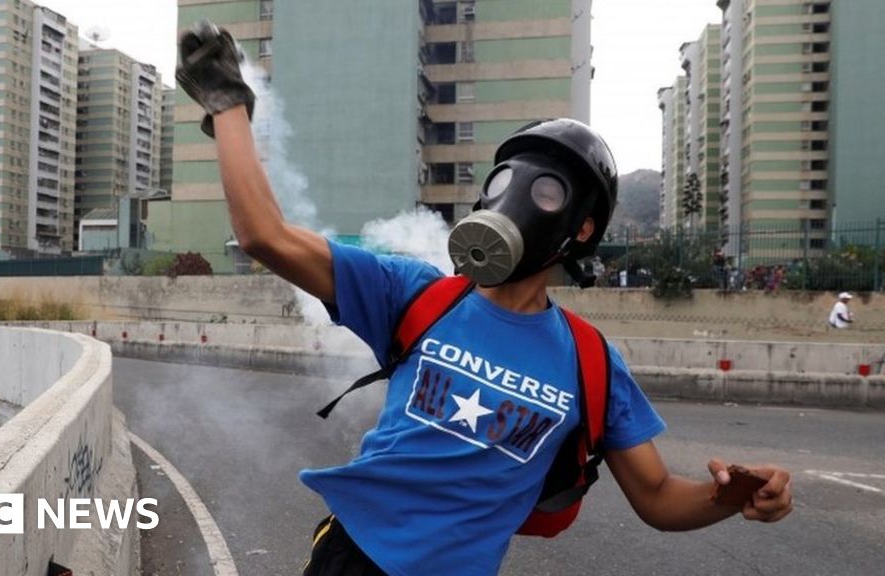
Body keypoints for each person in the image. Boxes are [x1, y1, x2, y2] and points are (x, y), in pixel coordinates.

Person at [176, 22, 793, 576]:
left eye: (546, 191)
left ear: (581, 229)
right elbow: (265, 235)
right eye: (505, 181)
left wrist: (732, 497)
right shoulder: (416, 294)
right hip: (354, 558)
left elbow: (658, 498)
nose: (515, 200)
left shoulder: (590, 362)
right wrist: (229, 106)